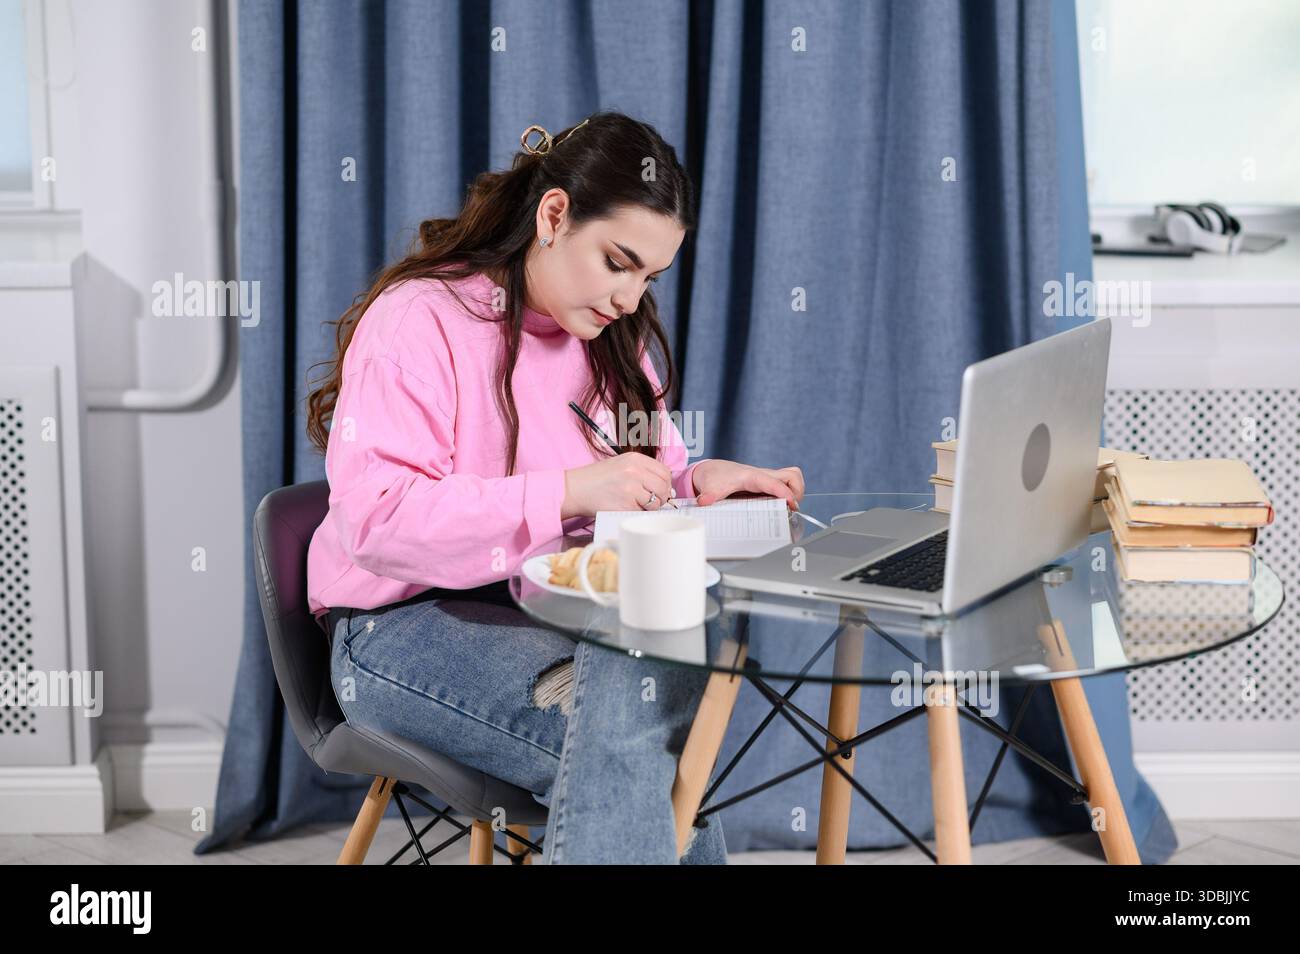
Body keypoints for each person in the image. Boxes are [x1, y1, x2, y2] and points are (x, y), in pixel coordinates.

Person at [303, 111, 804, 864]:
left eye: (648, 278)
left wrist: (699, 481)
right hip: (395, 629)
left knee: (660, 720)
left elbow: (640, 472)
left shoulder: (612, 344)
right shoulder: (419, 320)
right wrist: (565, 491)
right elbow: (377, 524)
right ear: (554, 213)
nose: (631, 298)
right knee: (634, 740)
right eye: (618, 262)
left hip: (550, 616)